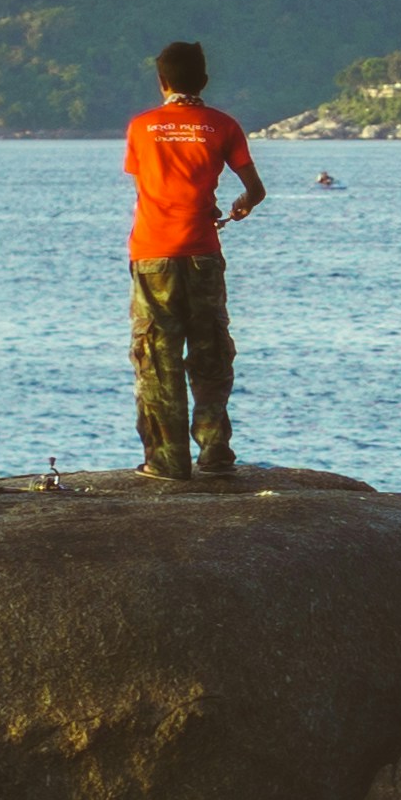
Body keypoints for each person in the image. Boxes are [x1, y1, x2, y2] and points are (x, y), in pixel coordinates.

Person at [122, 41, 266, 479]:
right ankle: (215, 453)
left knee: (156, 356)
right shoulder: (222, 126)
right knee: (210, 353)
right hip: (203, 252)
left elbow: (147, 189)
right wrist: (238, 205)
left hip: (152, 254)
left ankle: (167, 460)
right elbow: (255, 189)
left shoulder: (142, 127)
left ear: (162, 82)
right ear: (203, 80)